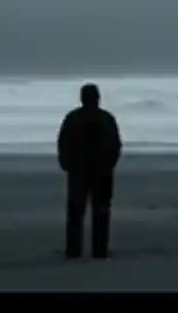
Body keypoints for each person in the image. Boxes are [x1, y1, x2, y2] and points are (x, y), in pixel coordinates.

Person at [58, 83, 122, 259]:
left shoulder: (73, 118)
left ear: (82, 98)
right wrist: (110, 164)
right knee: (101, 211)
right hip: (102, 172)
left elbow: (63, 143)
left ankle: (73, 250)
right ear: (98, 98)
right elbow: (115, 145)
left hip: (78, 171)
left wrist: (66, 163)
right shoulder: (106, 118)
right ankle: (99, 250)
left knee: (75, 212)